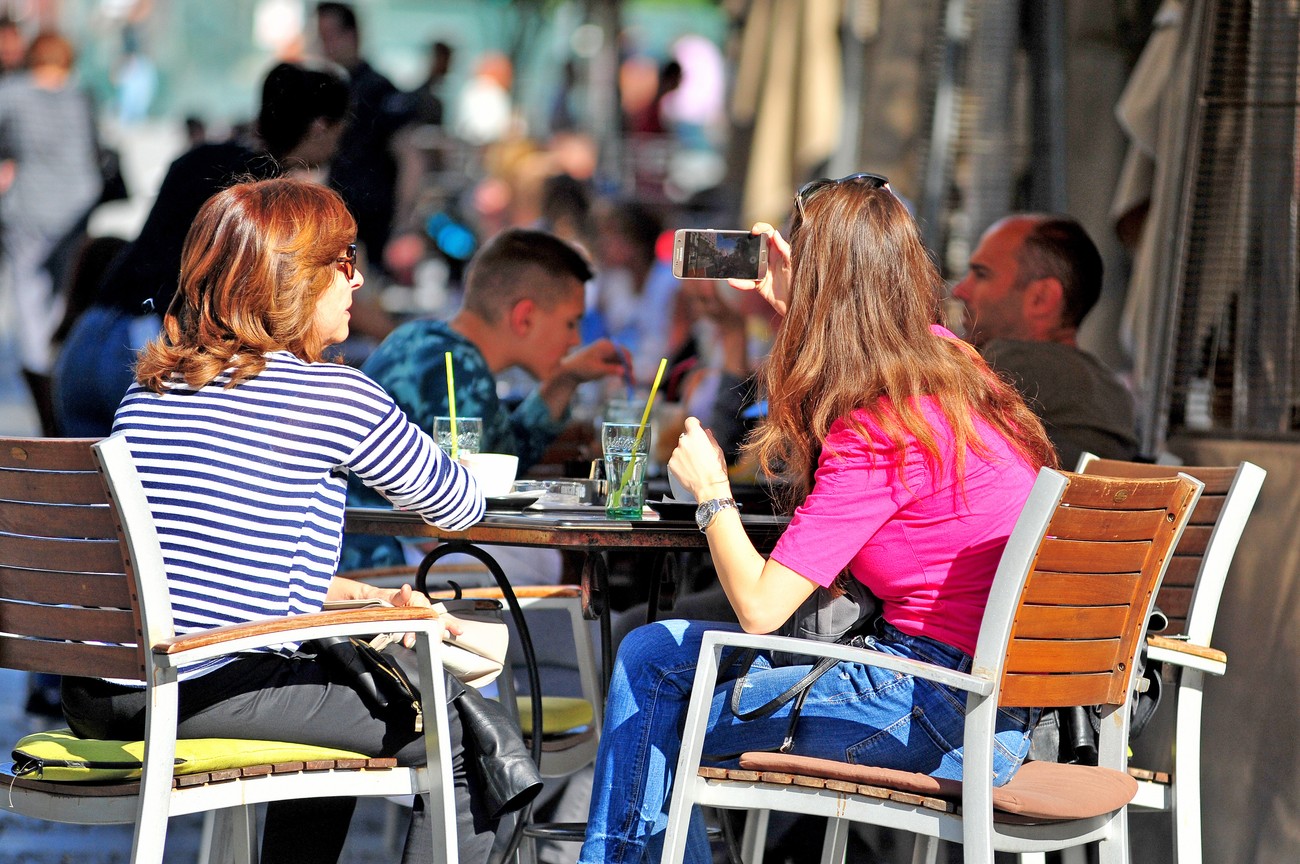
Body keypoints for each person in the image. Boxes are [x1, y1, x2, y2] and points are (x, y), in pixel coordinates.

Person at [577, 174, 1056, 863]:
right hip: (991, 707)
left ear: (825, 288)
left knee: (653, 679)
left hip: (926, 706)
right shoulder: (951, 366)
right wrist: (789, 311)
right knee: (655, 658)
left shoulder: (883, 424)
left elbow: (761, 609)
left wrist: (711, 493)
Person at [58, 177, 532, 864]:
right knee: (471, 743)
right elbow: (457, 506)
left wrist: (366, 600)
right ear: (295, 278)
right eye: (343, 261)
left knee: (339, 688)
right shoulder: (335, 396)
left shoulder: (153, 388)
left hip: (101, 689)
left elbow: (216, 570)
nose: (359, 278)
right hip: (202, 684)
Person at [52, 61, 351, 438]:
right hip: (146, 348)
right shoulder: (263, 199)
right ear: (321, 126)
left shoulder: (201, 156)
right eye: (339, 134)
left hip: (92, 332)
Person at [342, 228, 629, 572]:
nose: (575, 339)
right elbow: (469, 503)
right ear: (524, 317)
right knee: (553, 566)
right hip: (382, 566)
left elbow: (501, 456)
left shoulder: (422, 338)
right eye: (570, 323)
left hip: (366, 553)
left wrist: (563, 380)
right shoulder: (461, 370)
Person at [952, 214, 1139, 468]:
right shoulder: (1112, 390)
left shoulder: (1011, 364)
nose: (960, 290)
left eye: (982, 275)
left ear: (1042, 298)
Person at [0, 31, 103, 436]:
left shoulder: (13, 93)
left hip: (28, 207)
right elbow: (94, 149)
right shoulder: (81, 97)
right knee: (64, 288)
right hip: (76, 205)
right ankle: (53, 360)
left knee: (26, 287)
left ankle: (36, 365)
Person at [316, 1, 411, 274]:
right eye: (321, 37)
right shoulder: (329, 88)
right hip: (338, 216)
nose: (326, 45)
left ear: (352, 35)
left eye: (330, 35)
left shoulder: (377, 89)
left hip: (373, 221)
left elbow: (409, 157)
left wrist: (403, 224)